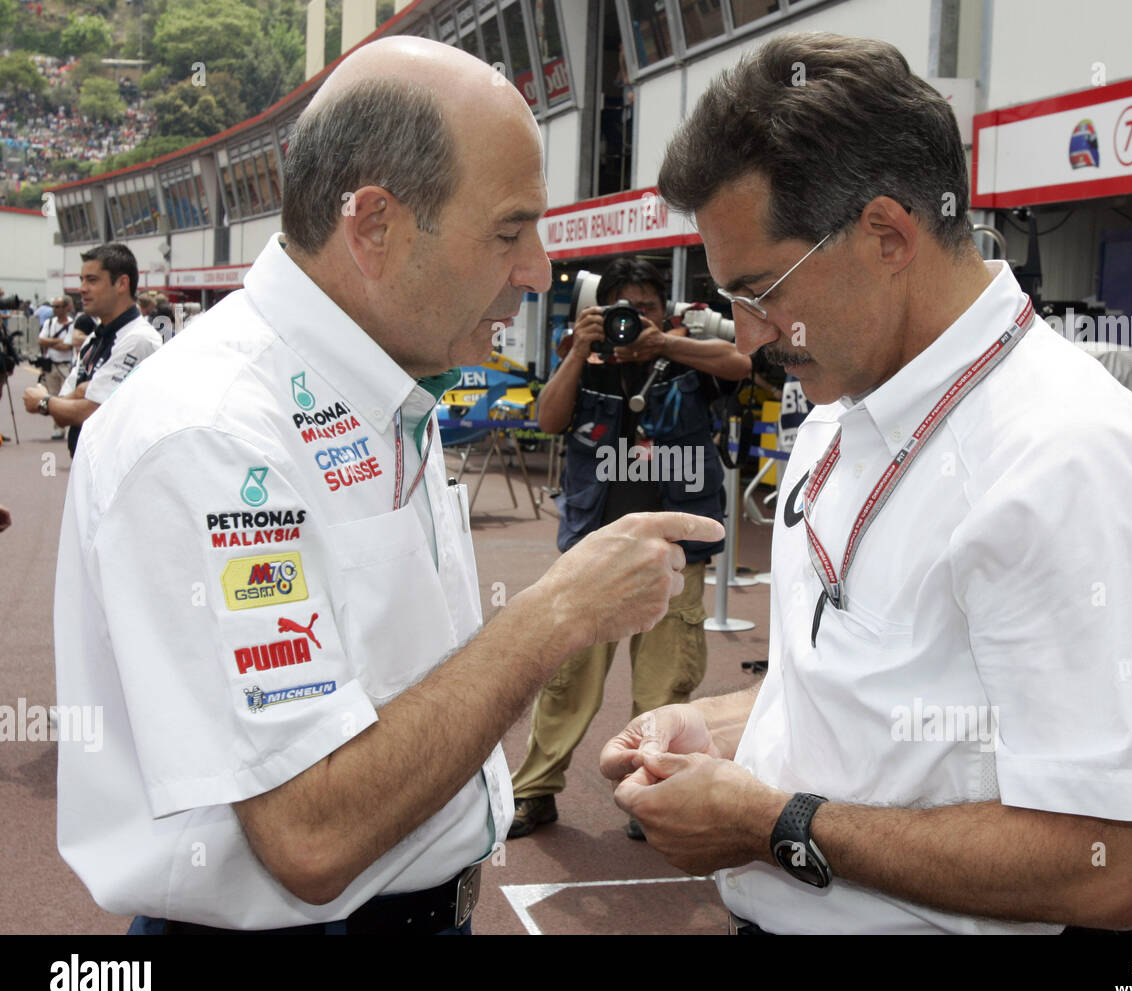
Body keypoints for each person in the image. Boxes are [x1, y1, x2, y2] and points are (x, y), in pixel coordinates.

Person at [54, 35, 722, 935]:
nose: (539, 271)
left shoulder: (366, 387)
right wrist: (557, 613)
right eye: (509, 230)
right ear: (373, 227)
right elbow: (313, 835)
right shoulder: (216, 432)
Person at [599, 33, 1132, 935]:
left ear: (887, 234)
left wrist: (772, 826)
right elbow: (873, 700)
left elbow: (1106, 866)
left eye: (761, 289)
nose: (751, 334)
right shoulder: (847, 403)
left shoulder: (1071, 457)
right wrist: (721, 736)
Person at [508, 258, 749, 841]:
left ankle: (653, 794)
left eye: (644, 306)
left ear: (662, 311)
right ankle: (535, 792)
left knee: (663, 686)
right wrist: (575, 351)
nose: (632, 319)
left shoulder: (686, 358)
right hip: (595, 551)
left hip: (676, 550)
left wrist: (663, 341)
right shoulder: (586, 366)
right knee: (567, 680)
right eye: (622, 308)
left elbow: (740, 364)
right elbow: (549, 418)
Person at [23, 244, 162, 457]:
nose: (82, 288)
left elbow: (91, 411)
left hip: (118, 470)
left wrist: (45, 402)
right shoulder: (95, 337)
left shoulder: (138, 339)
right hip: (87, 465)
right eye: (82, 280)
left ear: (122, 283)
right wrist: (77, 396)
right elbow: (66, 404)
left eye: (92, 280)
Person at [35, 295, 77, 440]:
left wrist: (50, 342)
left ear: (66, 308)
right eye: (54, 306)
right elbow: (41, 340)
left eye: (58, 306)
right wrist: (57, 342)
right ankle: (58, 428)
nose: (55, 309)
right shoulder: (49, 322)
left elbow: (67, 346)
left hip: (65, 365)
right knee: (52, 396)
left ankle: (68, 424)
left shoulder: (72, 324)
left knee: (66, 396)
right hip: (51, 365)